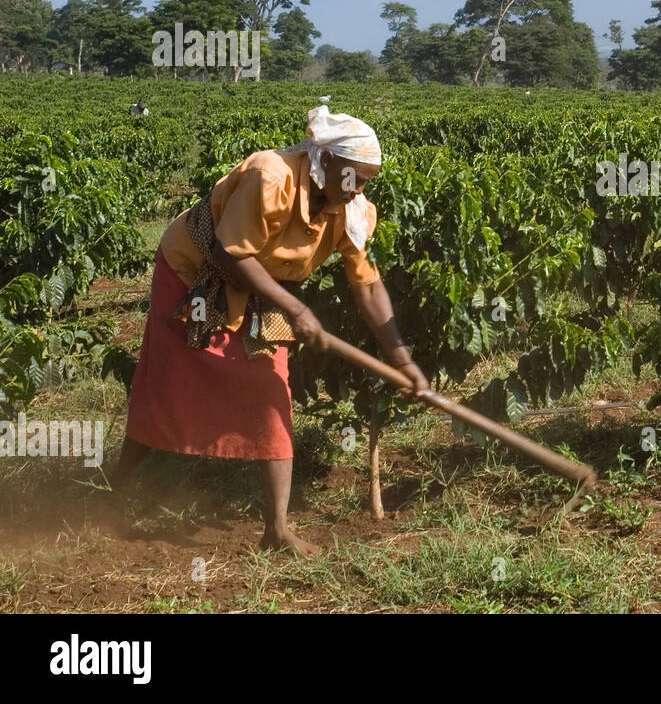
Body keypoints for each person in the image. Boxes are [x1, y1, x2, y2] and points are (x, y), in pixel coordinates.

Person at [111, 105, 430, 553]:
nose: (357, 190)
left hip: (263, 289)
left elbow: (368, 286)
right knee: (167, 383)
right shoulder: (271, 176)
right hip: (194, 275)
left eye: (365, 182)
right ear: (326, 160)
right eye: (352, 177)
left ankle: (276, 530)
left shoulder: (352, 211)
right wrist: (295, 309)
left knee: (271, 390)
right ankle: (114, 486)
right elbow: (230, 255)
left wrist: (401, 359)